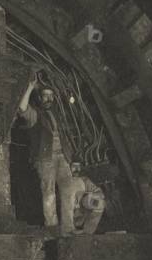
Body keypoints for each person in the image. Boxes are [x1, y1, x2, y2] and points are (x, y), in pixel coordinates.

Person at [16, 73, 74, 233]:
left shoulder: (58, 116)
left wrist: (72, 159)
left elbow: (67, 138)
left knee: (69, 190)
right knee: (49, 193)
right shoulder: (36, 115)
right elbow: (22, 108)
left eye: (51, 96)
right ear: (39, 98)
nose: (48, 98)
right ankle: (52, 228)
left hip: (63, 158)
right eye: (45, 96)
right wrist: (29, 88)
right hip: (45, 159)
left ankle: (68, 229)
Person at [68, 161, 106, 234]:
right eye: (73, 167)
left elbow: (100, 194)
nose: (76, 169)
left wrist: (89, 195)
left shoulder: (85, 180)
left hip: (77, 212)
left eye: (78, 167)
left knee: (99, 203)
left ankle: (86, 232)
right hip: (67, 209)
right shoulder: (64, 181)